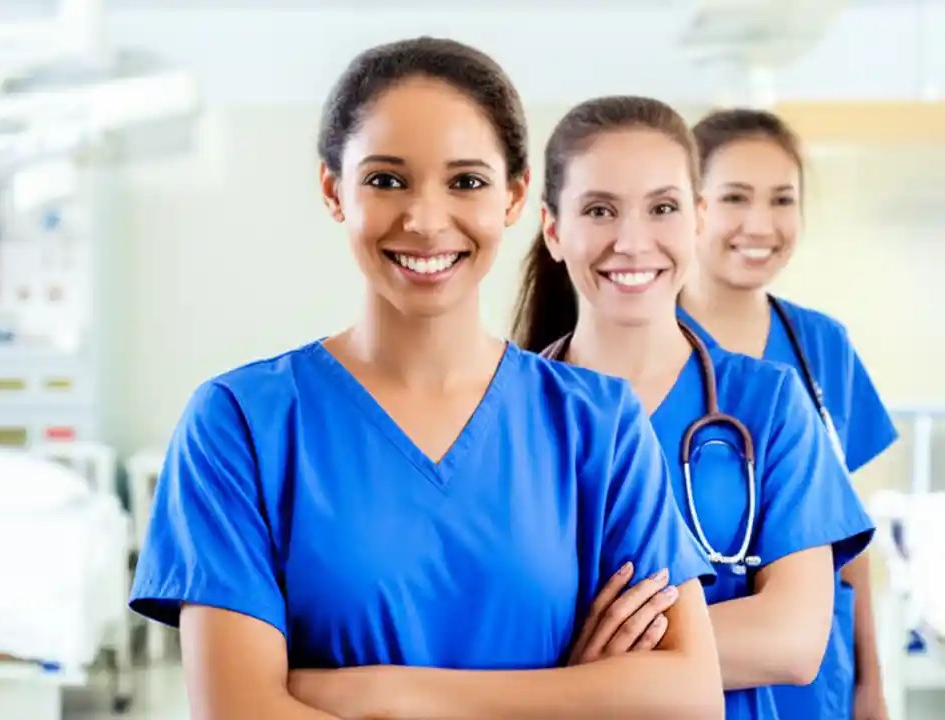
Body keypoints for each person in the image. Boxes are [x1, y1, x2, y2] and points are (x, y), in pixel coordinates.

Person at [128, 38, 724, 719]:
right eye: (386, 180)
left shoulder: (598, 424)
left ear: (514, 196)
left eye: (466, 182)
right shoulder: (241, 424)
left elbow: (685, 699)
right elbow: (240, 712)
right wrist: (570, 697)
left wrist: (391, 694)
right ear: (333, 190)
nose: (425, 219)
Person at [510, 95, 877, 720]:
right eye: (599, 210)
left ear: (696, 219)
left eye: (663, 208)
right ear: (552, 228)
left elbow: (793, 640)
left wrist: (585, 657)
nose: (632, 241)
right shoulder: (503, 412)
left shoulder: (768, 403)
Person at [678, 108, 900, 720]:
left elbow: (849, 546)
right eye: (734, 198)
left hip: (815, 682)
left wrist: (871, 689)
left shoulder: (821, 344)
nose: (761, 224)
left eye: (782, 200)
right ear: (691, 207)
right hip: (695, 675)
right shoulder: (645, 345)